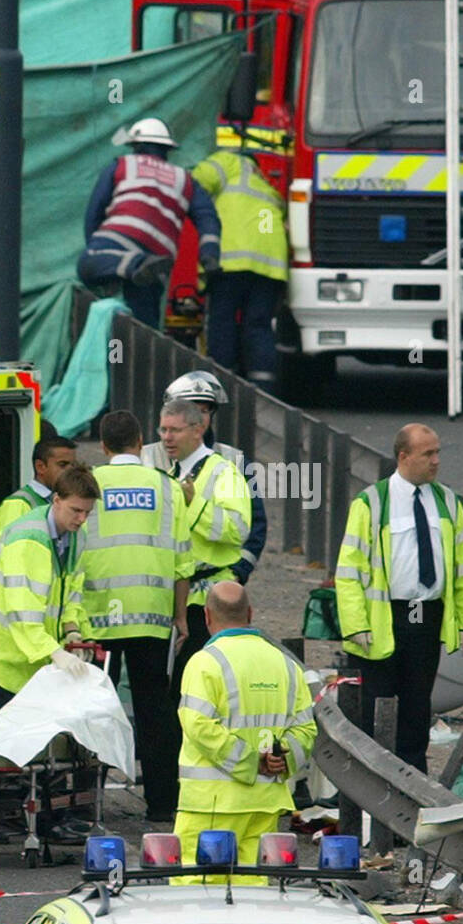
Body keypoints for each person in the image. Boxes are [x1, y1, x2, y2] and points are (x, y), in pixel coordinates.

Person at [335, 424, 463, 772]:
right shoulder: (372, 502)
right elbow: (349, 569)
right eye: (427, 454)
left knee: (417, 706)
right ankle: (376, 778)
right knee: (378, 706)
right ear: (403, 457)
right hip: (385, 620)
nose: (436, 461)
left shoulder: (447, 501)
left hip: (425, 615)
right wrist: (356, 624)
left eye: (438, 453)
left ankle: (414, 777)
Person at [81, 410, 193, 822]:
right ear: (141, 440)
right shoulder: (166, 488)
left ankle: (86, 803)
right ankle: (163, 805)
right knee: (154, 711)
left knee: (92, 710)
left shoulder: (88, 484)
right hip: (151, 617)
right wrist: (180, 618)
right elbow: (183, 561)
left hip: (96, 620)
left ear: (103, 445)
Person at [173, 583, 315, 881]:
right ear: (250, 613)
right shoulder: (286, 664)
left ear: (207, 617)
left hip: (212, 802)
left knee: (198, 889)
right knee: (253, 890)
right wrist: (281, 758)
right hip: (265, 801)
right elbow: (305, 729)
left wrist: (251, 762)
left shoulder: (204, 662)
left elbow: (199, 725)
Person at [0, 465, 100, 713]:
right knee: (16, 730)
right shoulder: (29, 541)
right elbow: (23, 613)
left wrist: (73, 630)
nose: (82, 519)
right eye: (76, 510)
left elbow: (71, 591)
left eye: (88, 512)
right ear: (56, 500)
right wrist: (55, 652)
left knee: (26, 727)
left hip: (18, 646)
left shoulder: (75, 536)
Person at [77, 117, 221, 329]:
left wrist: (96, 250)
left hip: (121, 237)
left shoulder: (123, 164)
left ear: (137, 145)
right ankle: (147, 358)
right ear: (166, 150)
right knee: (144, 322)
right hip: (160, 253)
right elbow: (208, 217)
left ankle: (134, 264)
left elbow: (95, 211)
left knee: (87, 266)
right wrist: (209, 255)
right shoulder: (185, 179)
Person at [155, 398, 254, 692]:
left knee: (201, 686)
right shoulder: (171, 474)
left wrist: (193, 502)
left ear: (198, 430)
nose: (167, 438)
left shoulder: (224, 472)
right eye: (162, 430)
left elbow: (238, 529)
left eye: (175, 430)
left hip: (209, 600)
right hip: (177, 597)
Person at [141, 369, 266, 586]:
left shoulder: (233, 459)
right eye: (192, 411)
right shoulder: (145, 457)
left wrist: (238, 572)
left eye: (205, 411)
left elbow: (255, 525)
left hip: (211, 586)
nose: (200, 418)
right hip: (156, 584)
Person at [190, 148, 288, 387]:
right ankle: (263, 387)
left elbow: (194, 181)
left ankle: (222, 382)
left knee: (222, 320)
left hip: (232, 262)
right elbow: (266, 227)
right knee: (258, 325)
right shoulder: (266, 190)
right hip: (271, 266)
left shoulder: (229, 162)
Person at [0, 434, 78, 541]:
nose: (70, 471)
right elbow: (7, 550)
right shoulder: (19, 504)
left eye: (74, 465)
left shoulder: (67, 501)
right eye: (62, 464)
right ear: (40, 467)